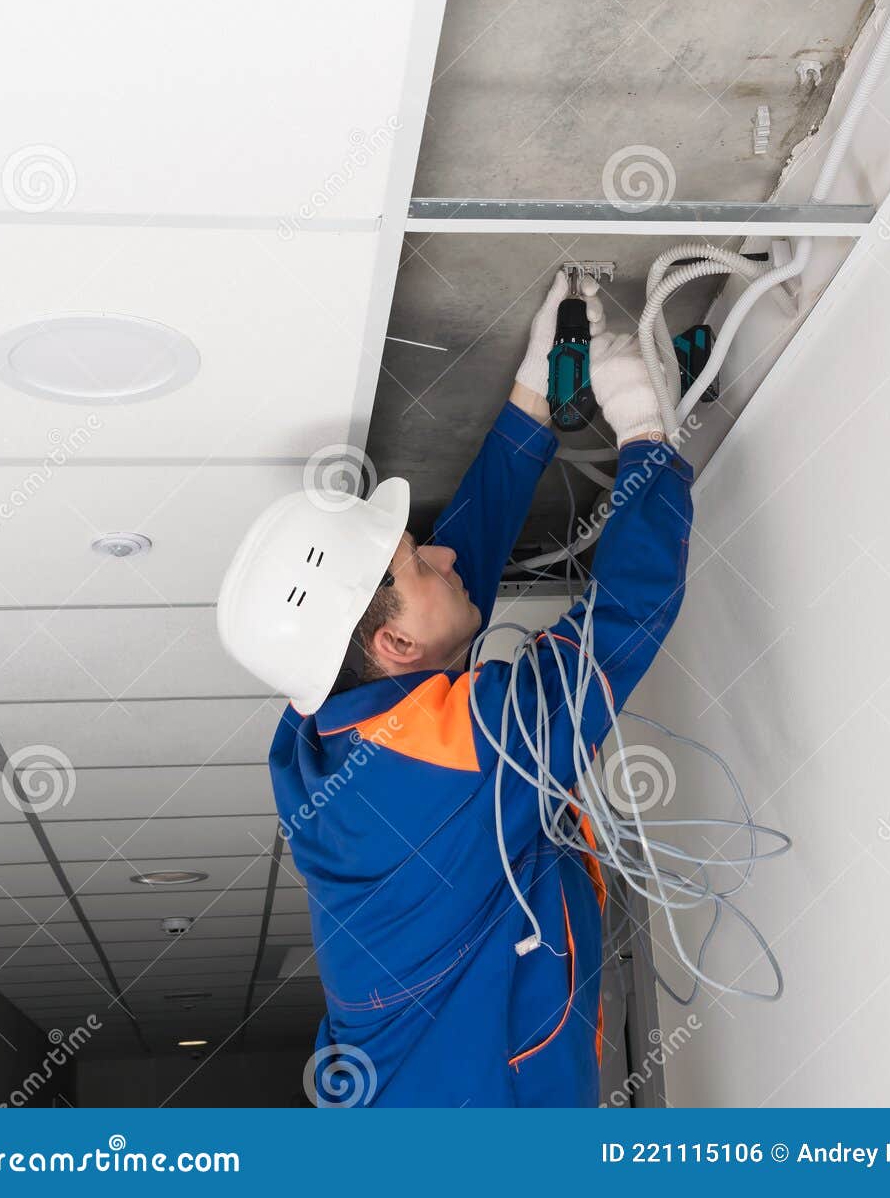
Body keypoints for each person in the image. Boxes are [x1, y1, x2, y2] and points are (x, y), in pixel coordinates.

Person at [217, 272, 693, 1107]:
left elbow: (442, 600)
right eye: (417, 557)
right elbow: (624, 614)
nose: (440, 553)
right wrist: (645, 435)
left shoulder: (329, 721)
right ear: (390, 646)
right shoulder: (409, 748)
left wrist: (533, 398)